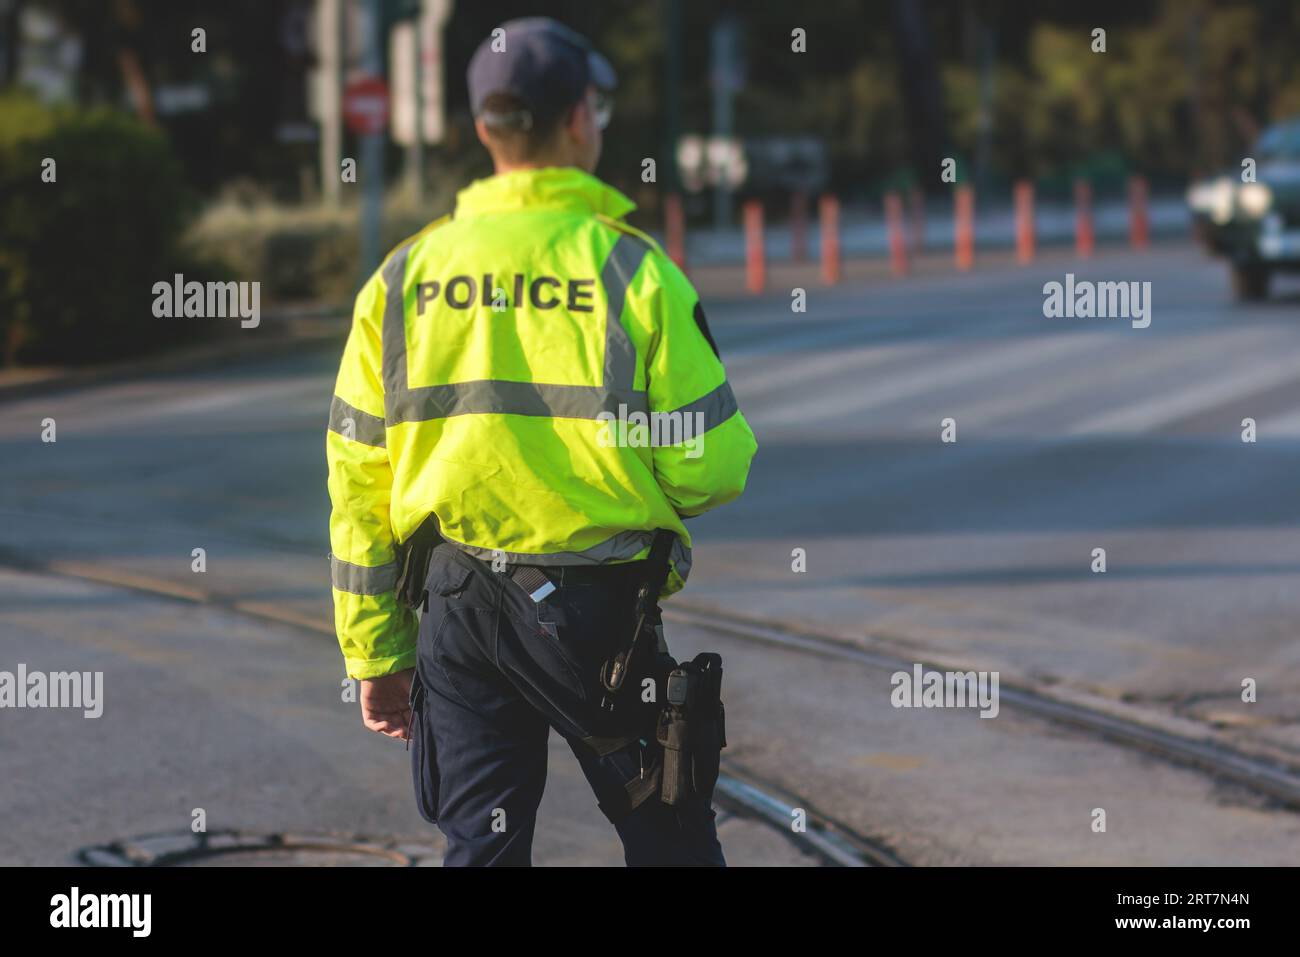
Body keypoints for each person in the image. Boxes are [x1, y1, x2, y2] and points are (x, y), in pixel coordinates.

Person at [325, 16, 756, 866]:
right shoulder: (633, 272)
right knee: (669, 837)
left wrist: (375, 649)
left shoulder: (403, 278)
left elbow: (358, 481)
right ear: (578, 123)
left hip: (455, 608)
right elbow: (713, 466)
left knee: (480, 848)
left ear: (484, 128)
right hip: (597, 623)